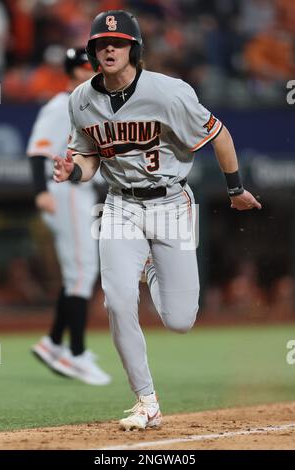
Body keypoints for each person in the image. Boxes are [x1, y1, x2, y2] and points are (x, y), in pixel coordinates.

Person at [53, 11, 261, 429]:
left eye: (118, 42)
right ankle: (146, 400)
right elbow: (89, 157)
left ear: (134, 48)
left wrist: (235, 189)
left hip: (170, 204)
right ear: (93, 51)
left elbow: (218, 134)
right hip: (119, 206)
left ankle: (149, 268)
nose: (109, 48)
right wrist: (73, 172)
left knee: (181, 320)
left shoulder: (168, 92)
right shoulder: (80, 99)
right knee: (116, 299)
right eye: (101, 43)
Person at [27, 47, 111, 386]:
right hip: (64, 191)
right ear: (72, 71)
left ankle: (52, 343)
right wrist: (40, 192)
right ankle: (74, 354)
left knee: (77, 273)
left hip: (79, 190)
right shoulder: (62, 103)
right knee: (83, 273)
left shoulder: (88, 102)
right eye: (83, 66)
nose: (89, 70)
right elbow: (38, 151)